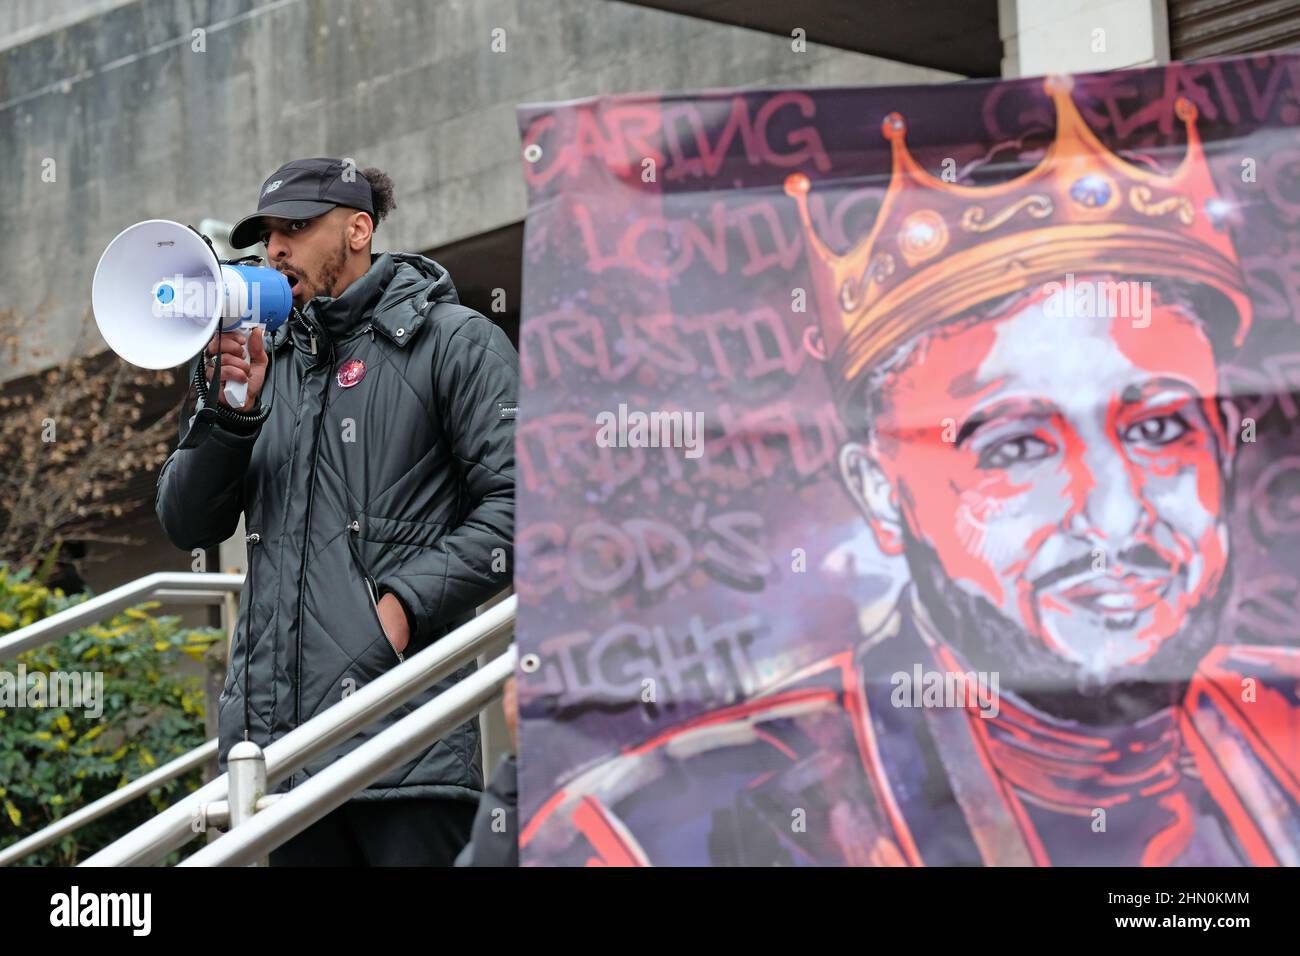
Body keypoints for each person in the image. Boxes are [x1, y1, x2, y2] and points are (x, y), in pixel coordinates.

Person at [520, 78, 1300, 866]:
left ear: (1225, 449)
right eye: (1017, 446)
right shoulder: (681, 829)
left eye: (1161, 427)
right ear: (881, 494)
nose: (1115, 517)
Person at [156, 157, 519, 866]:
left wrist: (403, 605)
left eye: (296, 227)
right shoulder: (258, 358)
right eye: (267, 235)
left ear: (359, 229)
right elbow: (187, 525)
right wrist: (230, 413)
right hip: (282, 762)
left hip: (407, 747)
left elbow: (522, 505)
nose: (276, 250)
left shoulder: (452, 340)